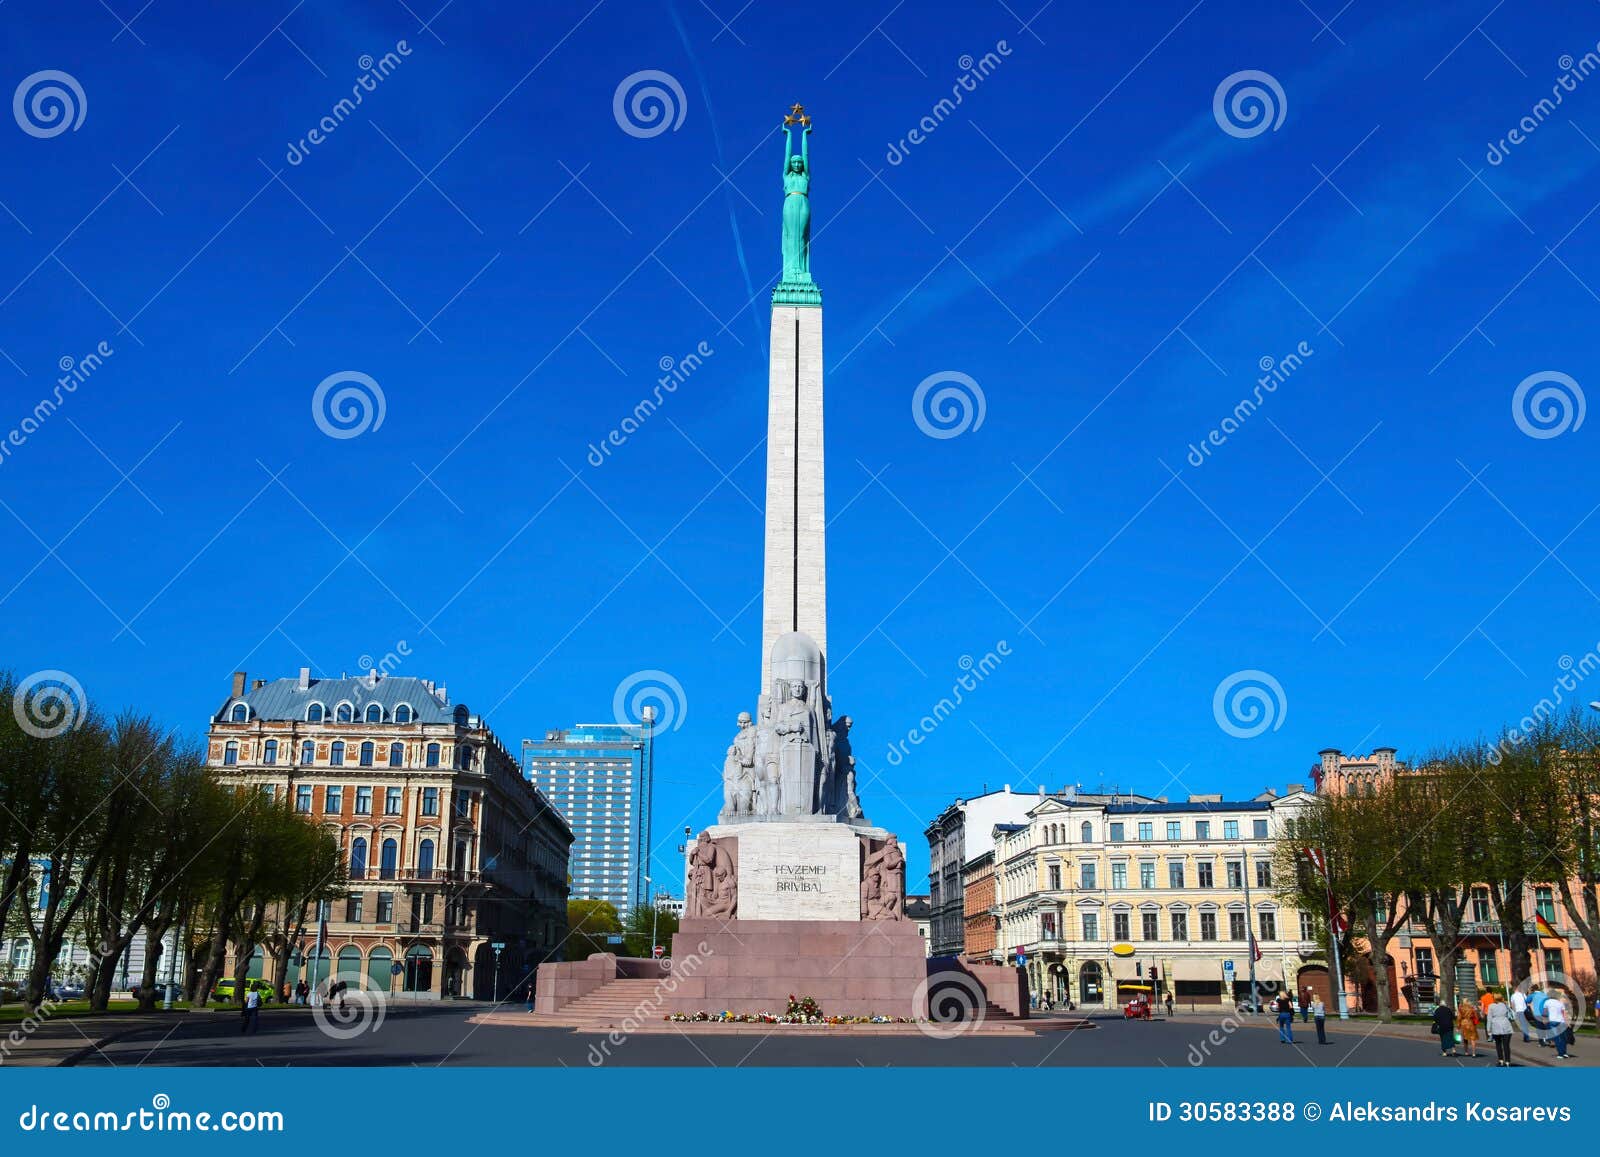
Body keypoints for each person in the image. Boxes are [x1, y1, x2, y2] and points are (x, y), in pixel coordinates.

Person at [1486, 995, 1514, 1066]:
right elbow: (1509, 1015)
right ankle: (1508, 1062)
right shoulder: (1505, 1005)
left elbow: (1489, 1018)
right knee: (1506, 1045)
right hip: (1506, 1025)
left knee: (1498, 1044)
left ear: (1494, 999)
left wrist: (1488, 1029)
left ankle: (1501, 1060)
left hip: (1496, 1026)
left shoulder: (1491, 1006)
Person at [1546, 991, 1571, 1059]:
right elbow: (1564, 1014)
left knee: (1557, 1038)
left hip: (1553, 1021)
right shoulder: (1560, 1003)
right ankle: (1564, 1053)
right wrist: (1567, 1022)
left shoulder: (1547, 1002)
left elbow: (1544, 1012)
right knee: (1563, 1038)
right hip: (1561, 1022)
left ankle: (1560, 1054)